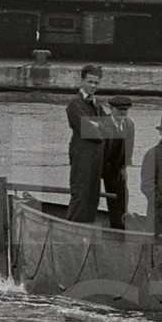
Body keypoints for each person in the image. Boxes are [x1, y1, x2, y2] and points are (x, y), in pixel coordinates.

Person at [64, 64, 107, 224]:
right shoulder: (74, 105)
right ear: (82, 81)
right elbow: (89, 131)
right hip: (82, 158)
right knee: (80, 196)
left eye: (96, 83)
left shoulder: (96, 105)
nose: (93, 86)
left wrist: (98, 126)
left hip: (96, 159)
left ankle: (86, 231)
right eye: (90, 82)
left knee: (93, 197)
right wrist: (98, 126)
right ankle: (71, 230)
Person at [101, 95, 135, 230]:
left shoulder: (129, 124)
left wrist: (125, 167)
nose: (123, 113)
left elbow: (129, 147)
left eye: (125, 110)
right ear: (111, 109)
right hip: (102, 165)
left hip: (118, 166)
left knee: (122, 196)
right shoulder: (102, 124)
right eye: (120, 110)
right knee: (103, 195)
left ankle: (118, 226)